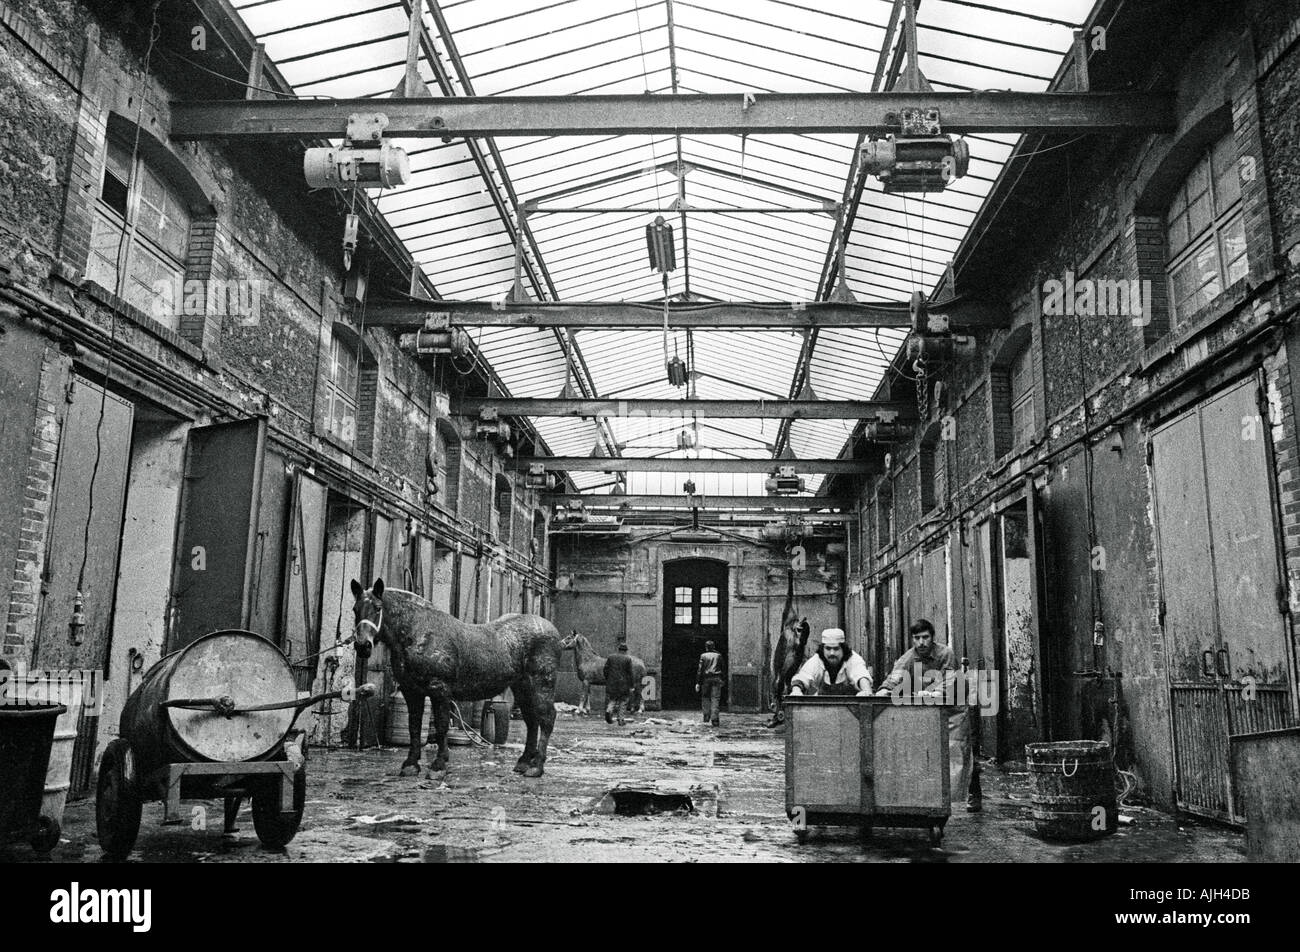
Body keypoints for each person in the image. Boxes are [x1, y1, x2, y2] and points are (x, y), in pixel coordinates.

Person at [875, 619, 957, 698]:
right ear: (912, 639)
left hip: (946, 704)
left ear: (932, 638)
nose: (921, 642)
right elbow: (895, 678)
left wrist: (936, 693)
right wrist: (885, 689)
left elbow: (949, 680)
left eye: (925, 637)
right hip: (919, 706)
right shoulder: (908, 657)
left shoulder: (946, 653)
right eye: (917, 638)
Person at [788, 629, 873, 697]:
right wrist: (796, 691)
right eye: (828, 649)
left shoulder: (853, 659)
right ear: (823, 649)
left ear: (843, 649)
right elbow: (803, 677)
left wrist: (866, 691)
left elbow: (862, 675)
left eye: (836, 649)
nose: (832, 653)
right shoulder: (817, 660)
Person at [603, 642, 635, 726]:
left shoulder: (611, 657)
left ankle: (608, 711)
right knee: (623, 701)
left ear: (618, 649)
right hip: (623, 685)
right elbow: (630, 673)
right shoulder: (628, 659)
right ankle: (621, 720)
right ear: (626, 650)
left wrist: (608, 679)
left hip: (612, 684)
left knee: (612, 699)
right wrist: (631, 685)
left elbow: (605, 670)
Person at [695, 640, 725, 726]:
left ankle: (706, 716)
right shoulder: (718, 655)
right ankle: (715, 719)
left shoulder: (703, 656)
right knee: (715, 698)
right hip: (717, 678)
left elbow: (700, 670)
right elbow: (723, 668)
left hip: (706, 679)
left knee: (705, 697)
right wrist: (723, 680)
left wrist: (698, 682)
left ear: (706, 647)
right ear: (714, 647)